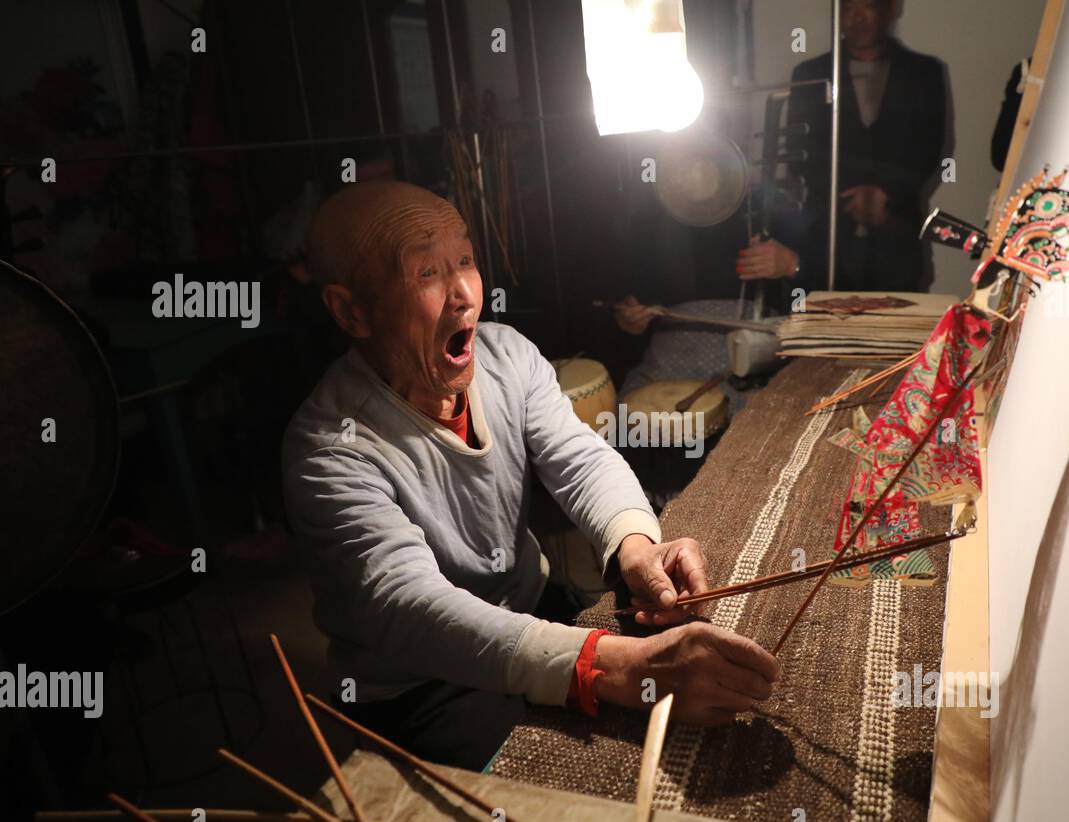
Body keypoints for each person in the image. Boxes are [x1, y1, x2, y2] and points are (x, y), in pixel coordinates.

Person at [281, 181, 779, 769]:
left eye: (464, 260)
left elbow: (579, 457)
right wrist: (618, 669)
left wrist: (636, 545)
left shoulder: (506, 355)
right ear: (351, 311)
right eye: (424, 274)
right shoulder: (329, 451)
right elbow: (409, 606)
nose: (464, 293)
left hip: (529, 606)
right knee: (585, 782)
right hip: (422, 685)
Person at [740, 0, 947, 293]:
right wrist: (850, 197)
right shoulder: (810, 73)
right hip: (826, 234)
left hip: (896, 234)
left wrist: (885, 196)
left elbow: (928, 148)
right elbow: (801, 150)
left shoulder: (924, 72)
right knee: (826, 326)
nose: (857, 17)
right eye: (848, 8)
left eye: (868, 7)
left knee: (898, 327)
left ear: (889, 10)